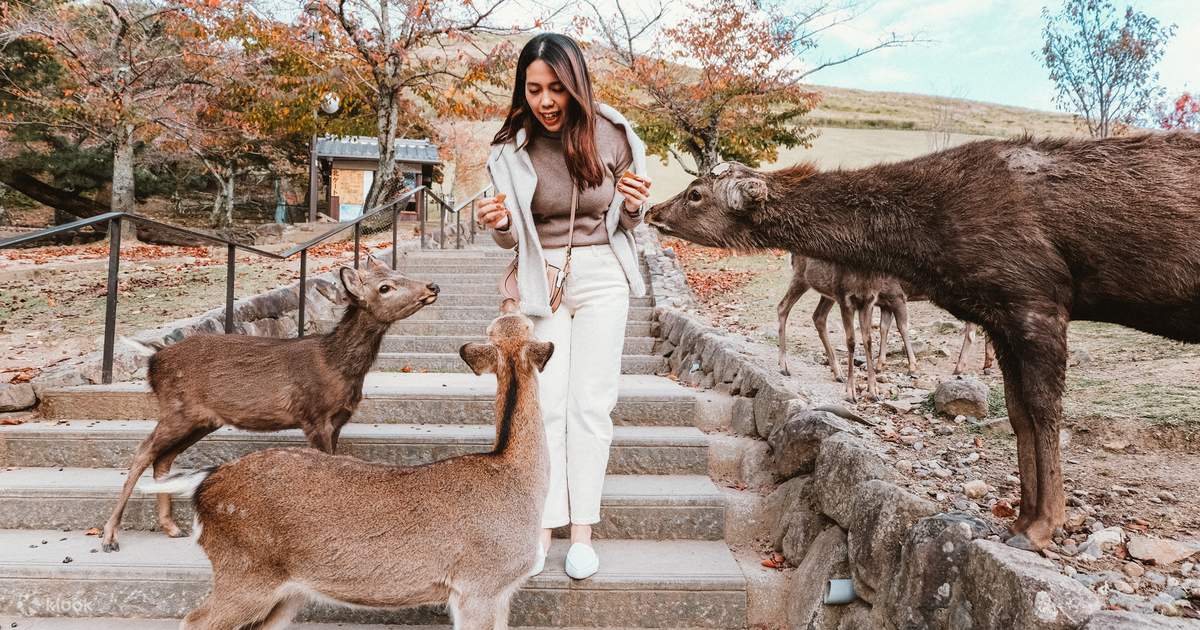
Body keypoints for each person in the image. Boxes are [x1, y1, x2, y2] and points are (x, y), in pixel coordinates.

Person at [476, 32, 652, 580]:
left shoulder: (615, 134)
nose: (545, 101)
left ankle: (582, 532)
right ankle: (542, 528)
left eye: (556, 88)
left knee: (591, 405)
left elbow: (627, 220)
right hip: (540, 278)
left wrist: (633, 207)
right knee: (544, 407)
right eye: (533, 90)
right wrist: (500, 223)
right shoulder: (511, 148)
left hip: (602, 276)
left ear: (575, 85)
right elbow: (511, 237)